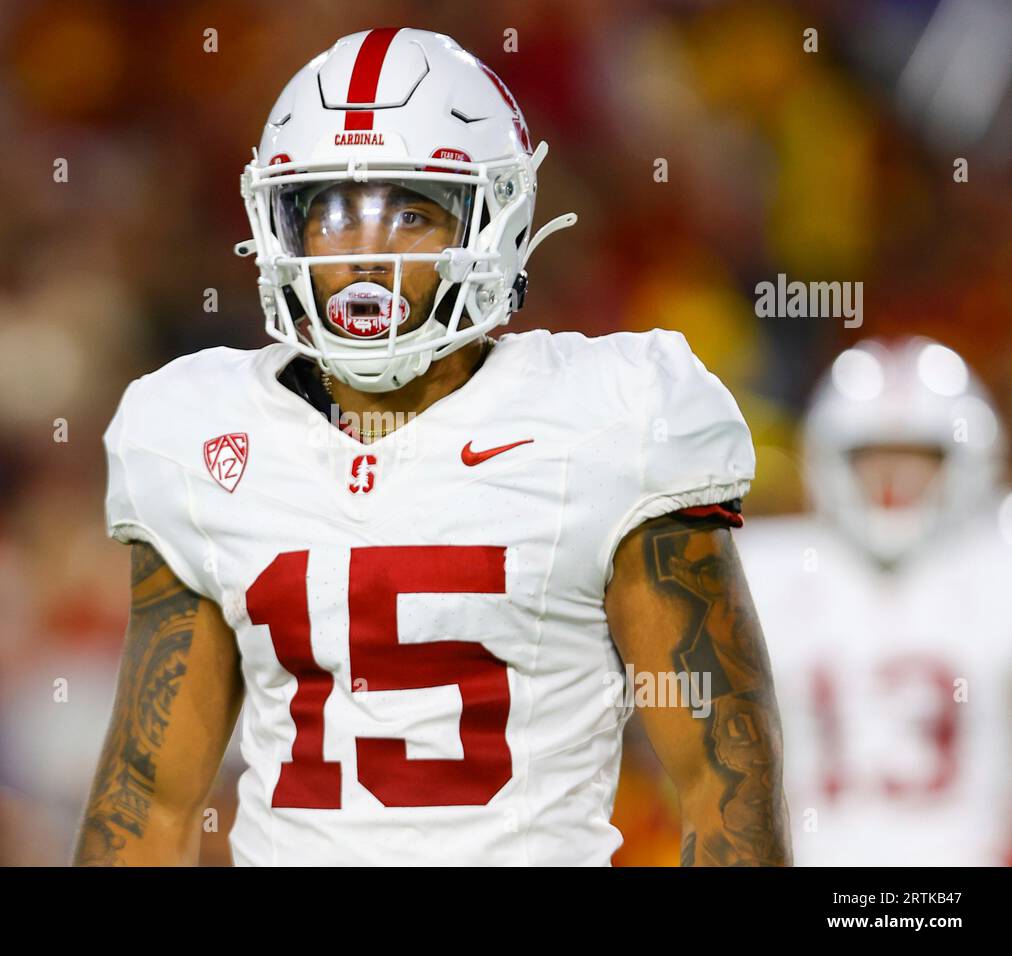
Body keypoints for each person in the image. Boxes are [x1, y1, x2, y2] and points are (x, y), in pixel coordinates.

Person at [75, 27, 789, 866]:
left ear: (496, 220)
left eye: (411, 212)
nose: (363, 253)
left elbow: (726, 779)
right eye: (332, 211)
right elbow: (149, 803)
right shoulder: (200, 432)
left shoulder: (613, 420)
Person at [738, 337, 1012, 865]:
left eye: (918, 458)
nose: (893, 479)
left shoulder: (992, 566)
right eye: (873, 457)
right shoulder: (769, 571)